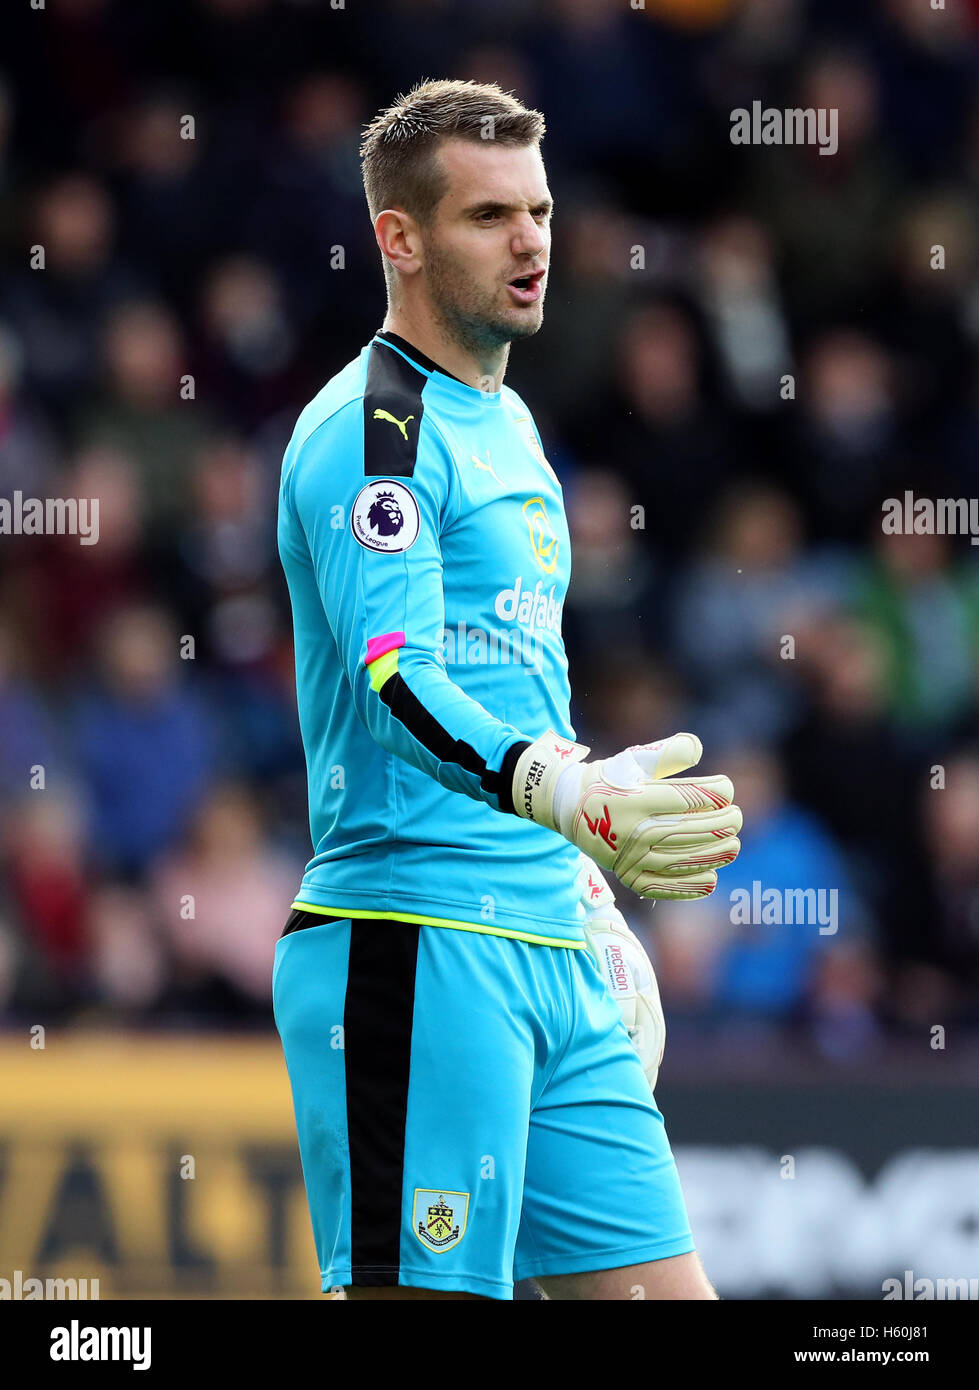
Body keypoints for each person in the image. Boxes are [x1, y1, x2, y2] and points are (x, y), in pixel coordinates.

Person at [273, 78, 743, 1302]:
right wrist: (563, 789)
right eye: (489, 215)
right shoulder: (370, 434)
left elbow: (517, 683)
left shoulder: (513, 424)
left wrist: (580, 873)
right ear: (400, 238)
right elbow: (394, 679)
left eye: (537, 208)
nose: (533, 239)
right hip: (416, 940)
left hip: (550, 941)